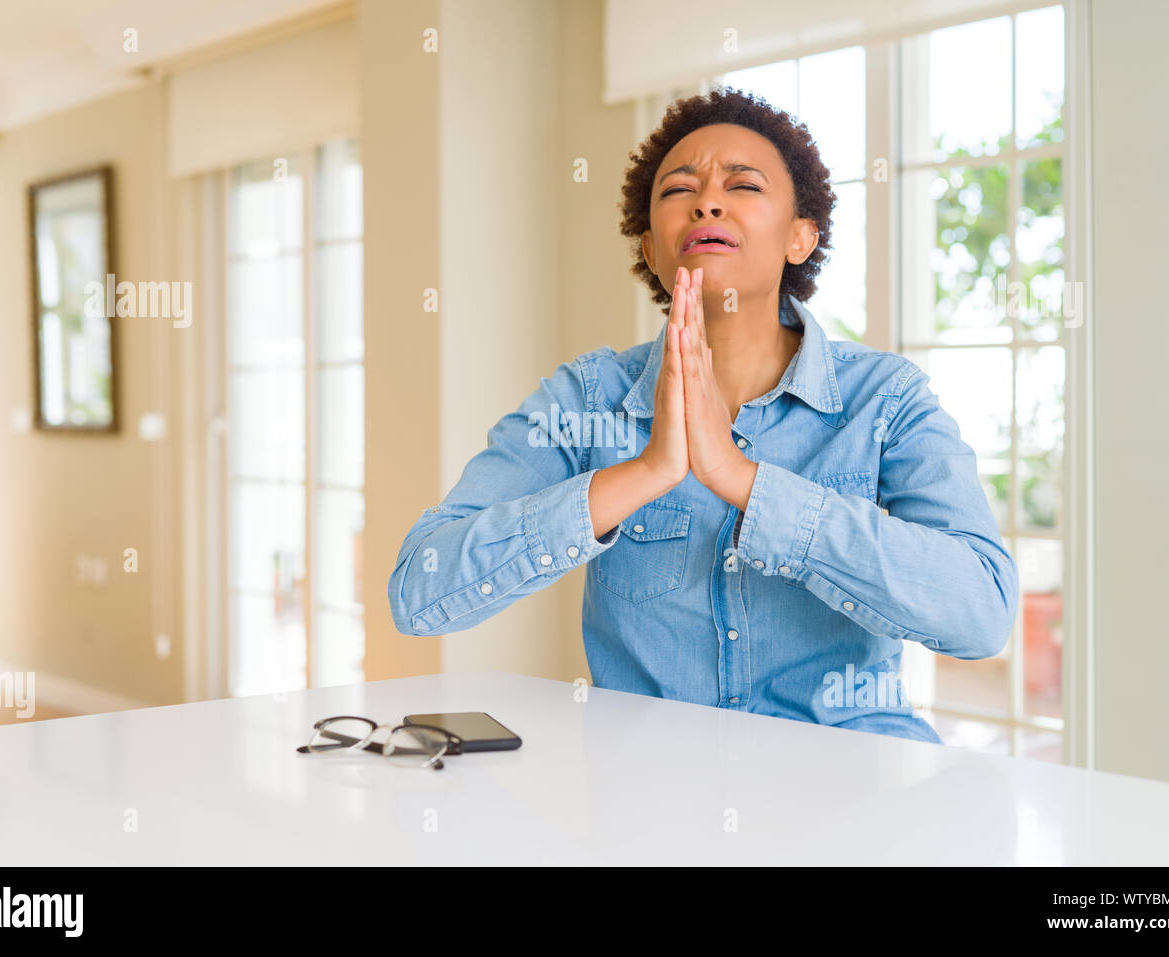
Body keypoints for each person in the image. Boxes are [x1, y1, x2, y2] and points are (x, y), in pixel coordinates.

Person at [389, 87, 1017, 744]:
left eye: (743, 184)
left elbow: (980, 614)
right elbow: (419, 591)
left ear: (801, 237)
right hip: (654, 803)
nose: (707, 201)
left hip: (856, 792)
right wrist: (645, 471)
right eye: (677, 190)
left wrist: (746, 481)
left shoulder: (885, 400)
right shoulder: (586, 398)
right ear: (653, 251)